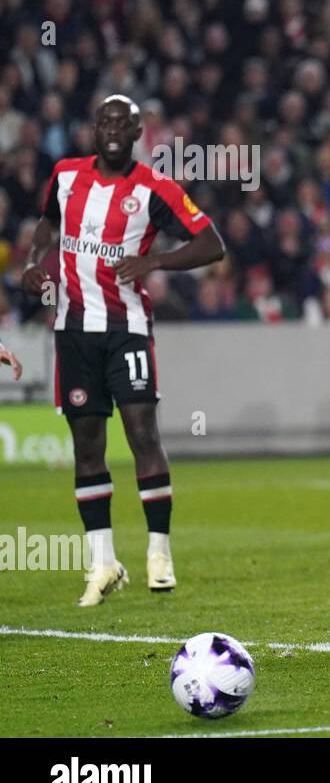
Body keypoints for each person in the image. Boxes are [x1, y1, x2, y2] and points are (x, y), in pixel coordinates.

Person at [21, 95, 226, 605]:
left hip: (127, 328)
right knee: (87, 446)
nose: (113, 128)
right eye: (105, 120)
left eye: (123, 122)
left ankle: (159, 552)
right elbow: (48, 221)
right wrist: (34, 259)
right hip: (73, 331)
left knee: (141, 433)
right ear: (94, 128)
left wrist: (156, 261)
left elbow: (211, 243)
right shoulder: (66, 175)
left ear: (137, 133)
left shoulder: (155, 189)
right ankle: (102, 563)